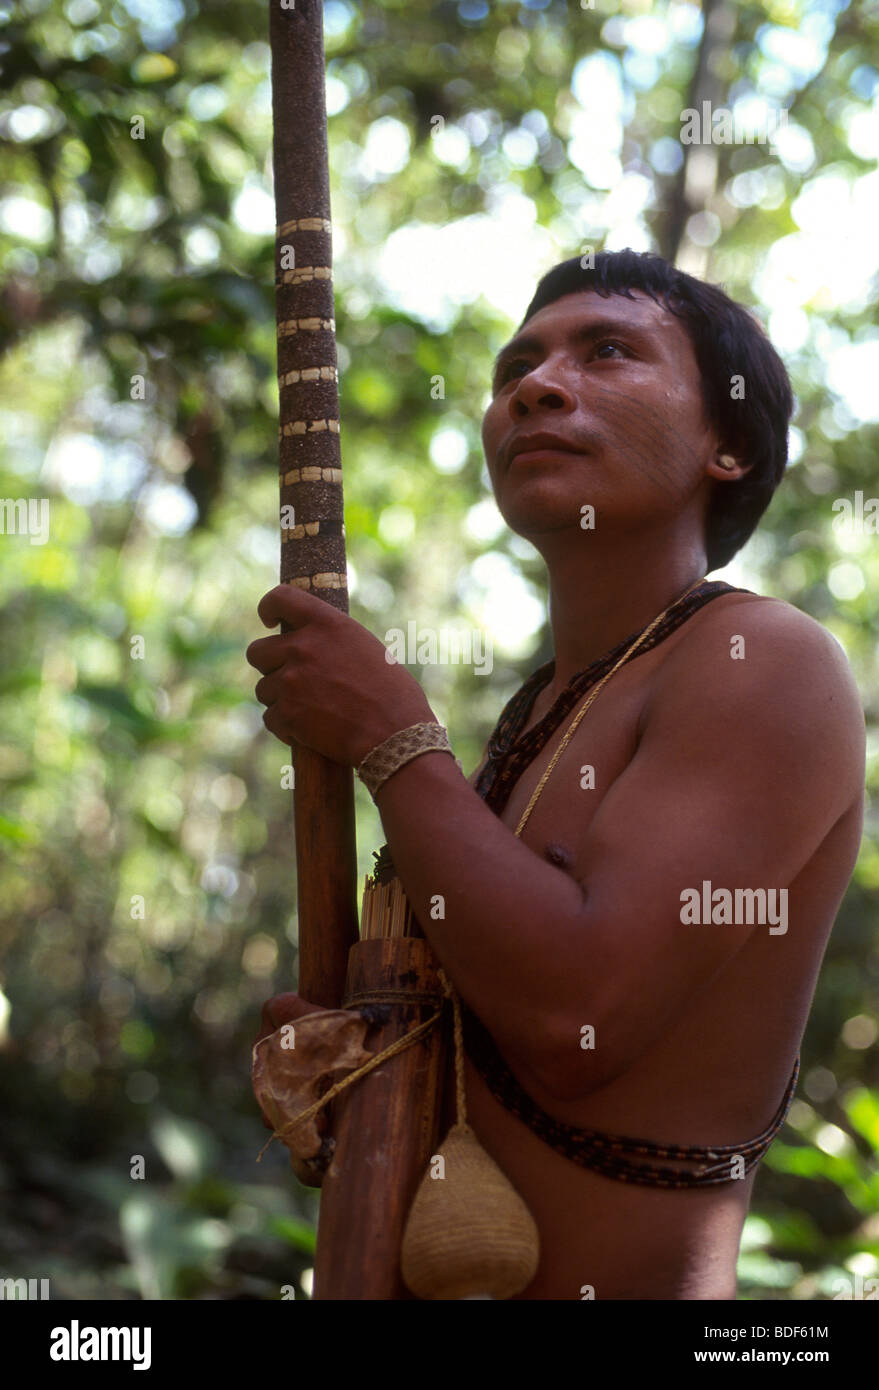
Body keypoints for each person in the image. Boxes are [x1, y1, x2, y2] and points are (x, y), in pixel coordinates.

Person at [246, 250, 865, 1300]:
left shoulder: (764, 658)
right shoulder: (533, 723)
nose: (535, 385)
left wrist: (392, 735)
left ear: (728, 443)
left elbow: (576, 1016)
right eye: (516, 367)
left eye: (610, 351)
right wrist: (354, 1065)